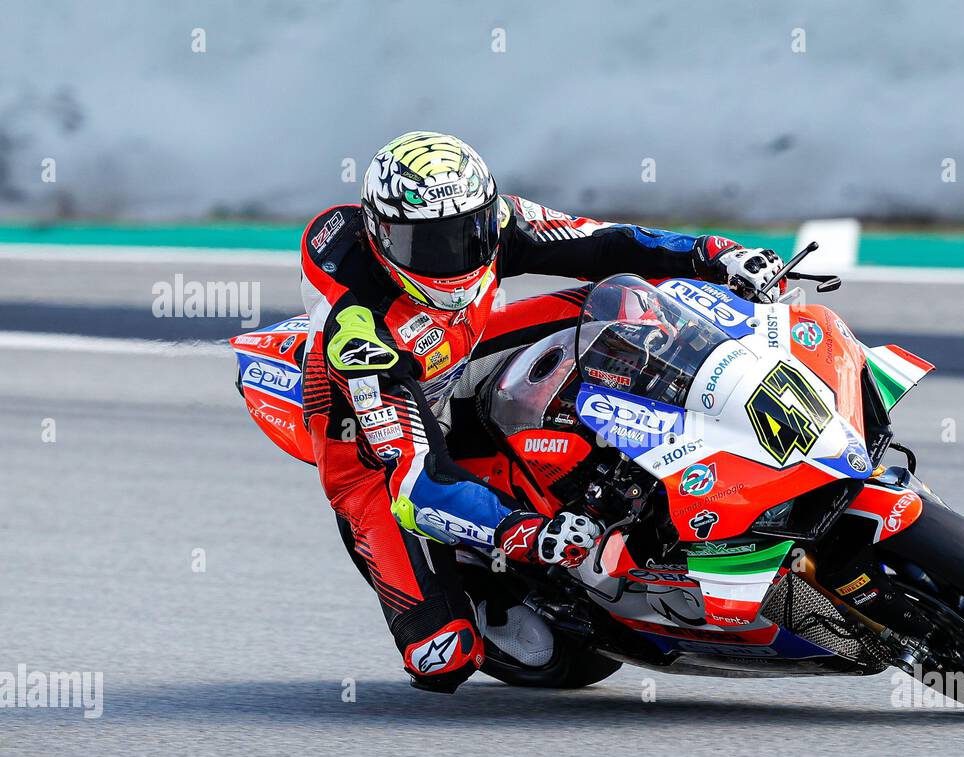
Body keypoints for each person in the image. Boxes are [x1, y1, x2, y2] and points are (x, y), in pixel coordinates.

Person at [299, 130, 784, 693]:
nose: (452, 256)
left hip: (462, 348)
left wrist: (707, 254)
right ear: (381, 237)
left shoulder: (498, 221)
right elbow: (417, 482)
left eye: (465, 235)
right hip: (374, 456)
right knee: (442, 654)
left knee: (630, 307)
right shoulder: (359, 335)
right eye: (425, 245)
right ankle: (485, 583)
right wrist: (526, 534)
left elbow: (598, 242)